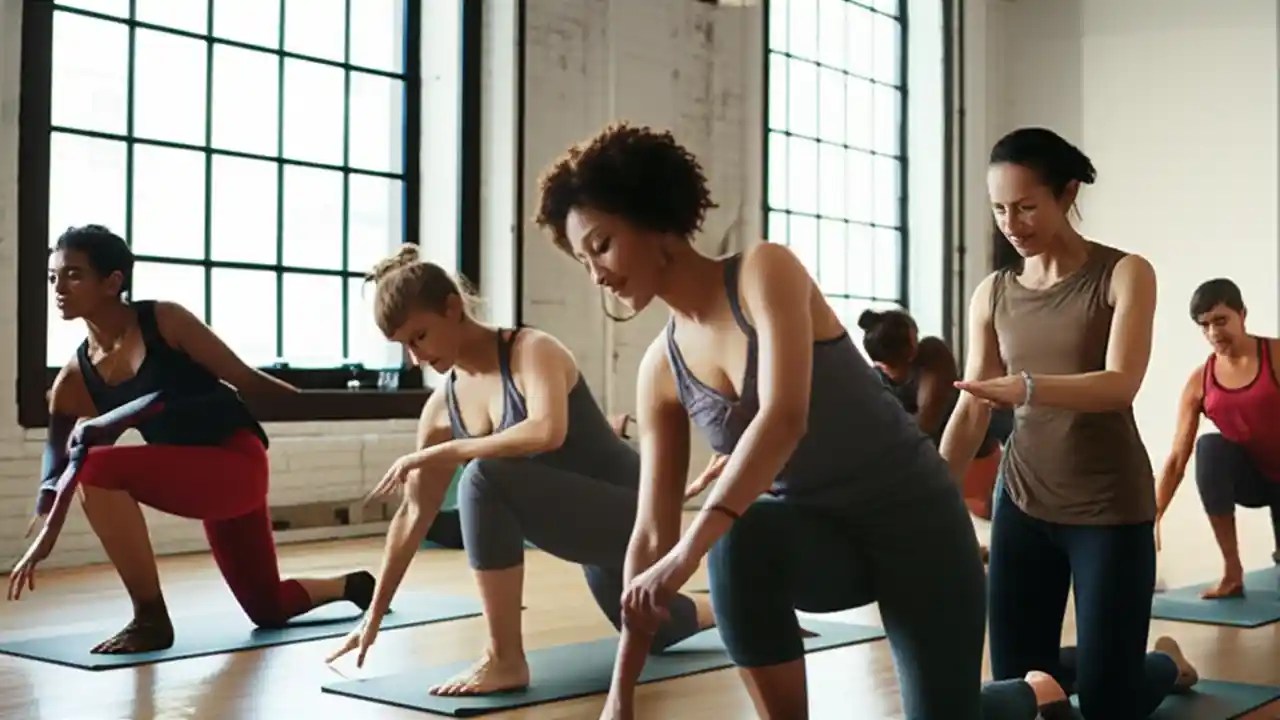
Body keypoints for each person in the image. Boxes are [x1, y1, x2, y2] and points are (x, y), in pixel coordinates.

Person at [535, 122, 1085, 720]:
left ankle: (1045, 690)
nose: (596, 273)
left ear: (651, 218)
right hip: (825, 545)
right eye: (582, 258)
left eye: (602, 244)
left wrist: (686, 554)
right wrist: (621, 693)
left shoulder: (763, 273)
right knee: (738, 541)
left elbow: (783, 418)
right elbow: (649, 534)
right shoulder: (660, 370)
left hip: (918, 528)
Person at [323, 245, 713, 696]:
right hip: (587, 535)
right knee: (658, 631)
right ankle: (730, 605)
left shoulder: (532, 351)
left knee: (483, 477)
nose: (415, 358)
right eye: (404, 347)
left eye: (419, 337)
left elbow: (546, 431)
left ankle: (504, 658)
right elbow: (414, 515)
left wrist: (440, 455)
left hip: (638, 514)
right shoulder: (440, 410)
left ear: (452, 308)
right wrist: (374, 613)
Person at [6, 225, 376, 654]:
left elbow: (243, 379)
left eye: (73, 275)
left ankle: (150, 618)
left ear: (113, 282)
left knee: (96, 465)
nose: (59, 288)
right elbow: (58, 450)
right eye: (53, 277)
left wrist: (322, 404)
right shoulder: (76, 374)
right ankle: (354, 585)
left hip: (237, 463)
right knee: (267, 607)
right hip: (194, 477)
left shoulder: (164, 321)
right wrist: (45, 503)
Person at [938, 127, 1199, 718]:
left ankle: (1161, 663)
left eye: (1028, 206)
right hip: (1024, 505)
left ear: (1067, 192)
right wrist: (931, 491)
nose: (1012, 222)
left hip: (1109, 509)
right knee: (1021, 688)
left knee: (1111, 702)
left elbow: (1119, 383)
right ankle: (1119, 660)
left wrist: (1027, 386)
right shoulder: (993, 292)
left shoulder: (1125, 273)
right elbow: (973, 400)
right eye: (1000, 208)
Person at [1154, 278, 1280, 598]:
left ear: (1243, 314)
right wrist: (1153, 516)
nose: (1214, 333)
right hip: (1253, 478)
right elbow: (1176, 460)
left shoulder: (1275, 355)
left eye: (1221, 321)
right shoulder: (1200, 382)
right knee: (1208, 448)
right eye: (1205, 325)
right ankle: (1232, 571)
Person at [858, 309, 1012, 519]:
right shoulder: (873, 380)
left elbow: (926, 424)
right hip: (929, 468)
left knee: (983, 510)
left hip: (969, 457)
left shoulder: (932, 354)